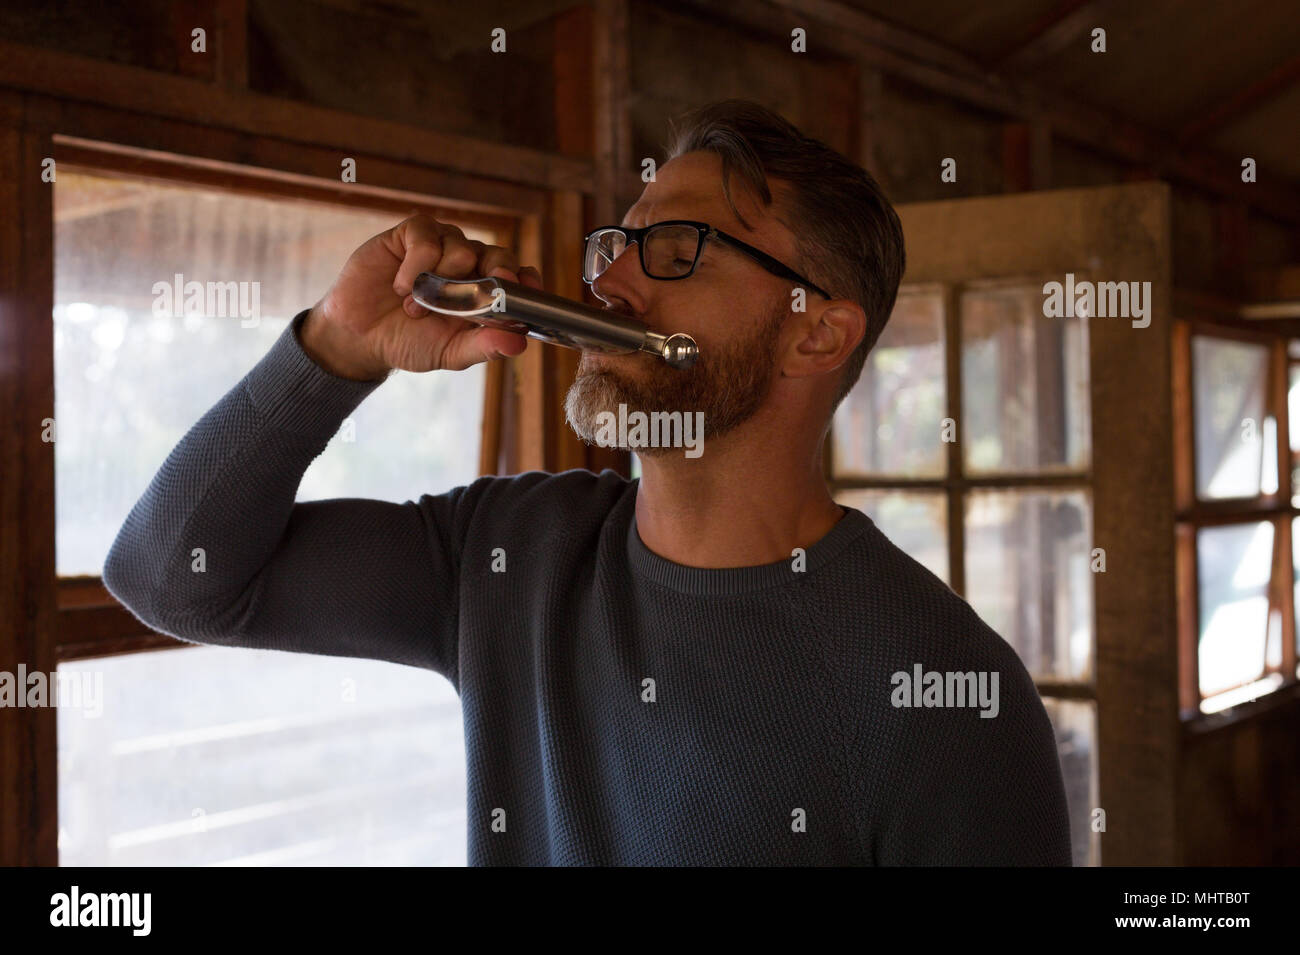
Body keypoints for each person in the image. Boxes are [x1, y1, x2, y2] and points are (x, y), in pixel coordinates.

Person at [104, 99, 1072, 866]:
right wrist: (334, 349)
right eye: (618, 243)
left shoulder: (951, 696)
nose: (610, 284)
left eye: (676, 249)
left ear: (815, 330)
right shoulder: (508, 552)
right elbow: (170, 575)